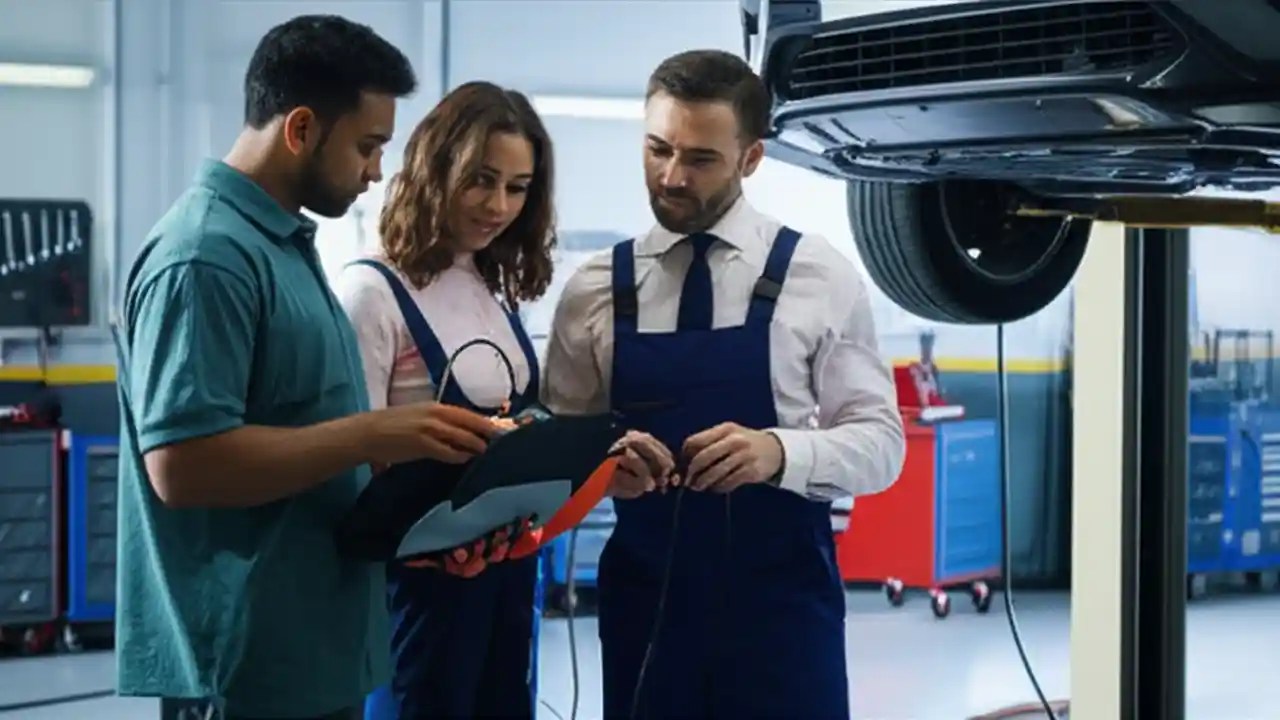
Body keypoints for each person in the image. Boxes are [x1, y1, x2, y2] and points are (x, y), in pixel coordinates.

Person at [115, 16, 503, 720]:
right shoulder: (205, 257)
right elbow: (183, 465)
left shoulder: (283, 247)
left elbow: (303, 442)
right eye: (367, 146)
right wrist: (374, 434)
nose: (378, 170)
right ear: (300, 129)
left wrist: (414, 526)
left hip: (318, 643)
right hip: (250, 665)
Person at [541, 49, 907, 719]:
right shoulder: (595, 290)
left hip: (783, 616)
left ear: (752, 158)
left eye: (701, 159)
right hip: (647, 612)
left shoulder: (818, 276)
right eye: (657, 150)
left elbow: (884, 446)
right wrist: (599, 467)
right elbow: (552, 457)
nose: (672, 177)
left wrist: (780, 453)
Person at [335, 81, 556, 719]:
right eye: (481, 180)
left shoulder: (492, 287)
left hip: (507, 574)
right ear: (435, 170)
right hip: (417, 588)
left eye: (518, 187)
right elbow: (353, 466)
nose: (499, 205)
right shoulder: (372, 292)